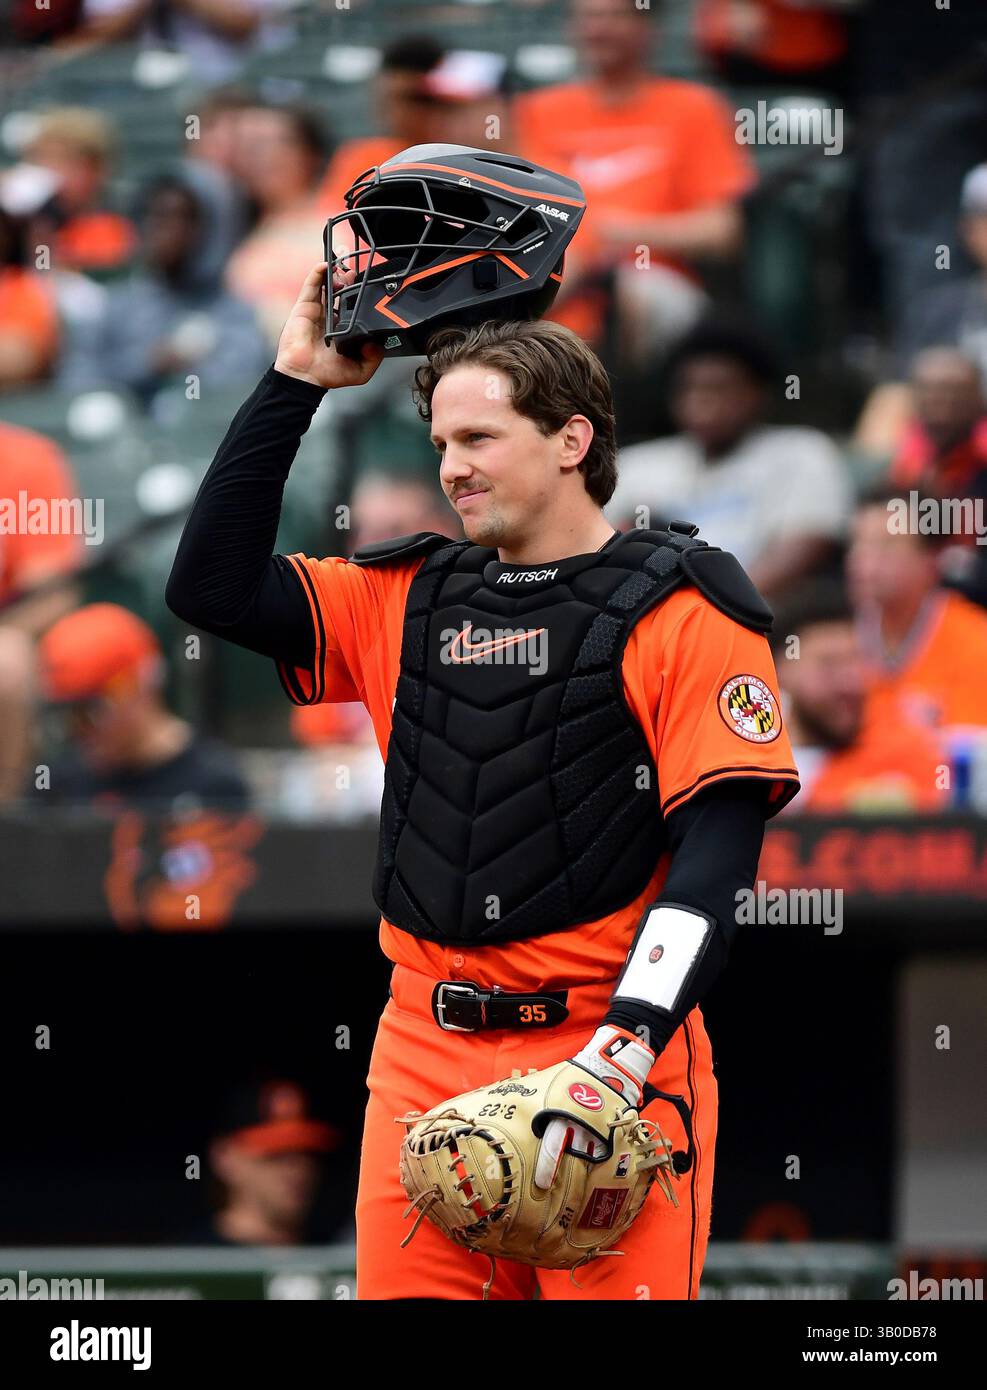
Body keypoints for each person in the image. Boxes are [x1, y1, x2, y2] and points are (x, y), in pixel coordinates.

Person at [167, 146, 799, 1300]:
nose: (451, 470)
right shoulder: (406, 594)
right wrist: (295, 381)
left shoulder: (681, 598)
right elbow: (207, 589)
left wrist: (632, 1041)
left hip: (603, 1057)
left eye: (480, 440)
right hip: (419, 1054)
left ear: (571, 440)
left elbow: (720, 844)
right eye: (442, 443)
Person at [515, 0, 755, 360]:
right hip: (558, 273)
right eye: (589, 18)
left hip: (651, 278)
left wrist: (609, 232)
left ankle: (616, 407)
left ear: (647, 28)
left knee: (623, 295)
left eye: (614, 16)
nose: (599, 30)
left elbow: (721, 232)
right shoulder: (536, 111)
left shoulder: (693, 107)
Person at [607, 319, 852, 599]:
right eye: (690, 389)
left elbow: (804, 551)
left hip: (759, 621)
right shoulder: (640, 463)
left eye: (719, 388)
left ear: (759, 393)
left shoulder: (802, 453)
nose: (702, 403)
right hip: (652, 619)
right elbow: (601, 549)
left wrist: (720, 607)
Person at [63, 172, 270, 403]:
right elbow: (78, 382)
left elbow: (241, 386)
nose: (165, 229)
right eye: (155, 216)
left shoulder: (236, 313)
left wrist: (189, 364)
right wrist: (151, 363)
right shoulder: (113, 308)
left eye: (182, 218)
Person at [34, 603, 247, 808]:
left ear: (141, 687)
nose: (79, 730)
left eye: (89, 710)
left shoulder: (213, 785)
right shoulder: (59, 784)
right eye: (65, 714)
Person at [770, 581, 947, 814]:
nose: (849, 682)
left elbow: (929, 795)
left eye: (855, 661)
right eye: (829, 664)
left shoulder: (896, 739)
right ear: (780, 670)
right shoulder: (750, 754)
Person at [847, 491, 987, 743]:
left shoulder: (976, 639)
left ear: (932, 558)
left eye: (887, 545)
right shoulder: (834, 638)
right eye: (859, 543)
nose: (863, 560)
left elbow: (970, 756)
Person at [0, 422, 81, 801]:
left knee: (7, 660)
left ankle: (6, 821)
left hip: (7, 630)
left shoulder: (25, 458)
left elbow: (51, 595)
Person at [183, 1079, 339, 1246]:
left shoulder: (341, 1255)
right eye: (275, 1154)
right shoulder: (186, 1263)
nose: (296, 1168)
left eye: (306, 1152)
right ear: (224, 1158)